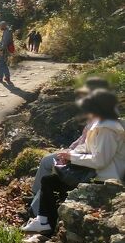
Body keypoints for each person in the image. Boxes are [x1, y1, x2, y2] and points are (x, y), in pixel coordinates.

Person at [23, 90, 125, 233]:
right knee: (49, 180)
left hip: (103, 178)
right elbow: (91, 148)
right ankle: (43, 220)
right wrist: (69, 154)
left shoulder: (107, 129)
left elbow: (100, 160)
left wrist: (72, 157)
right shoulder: (104, 125)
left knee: (50, 181)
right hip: (97, 173)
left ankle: (43, 221)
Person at [29, 77, 111, 214]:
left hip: (88, 164)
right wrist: (69, 151)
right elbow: (81, 140)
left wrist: (71, 156)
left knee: (54, 170)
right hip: (79, 155)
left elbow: (96, 153)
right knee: (46, 161)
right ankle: (34, 196)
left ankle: (36, 211)